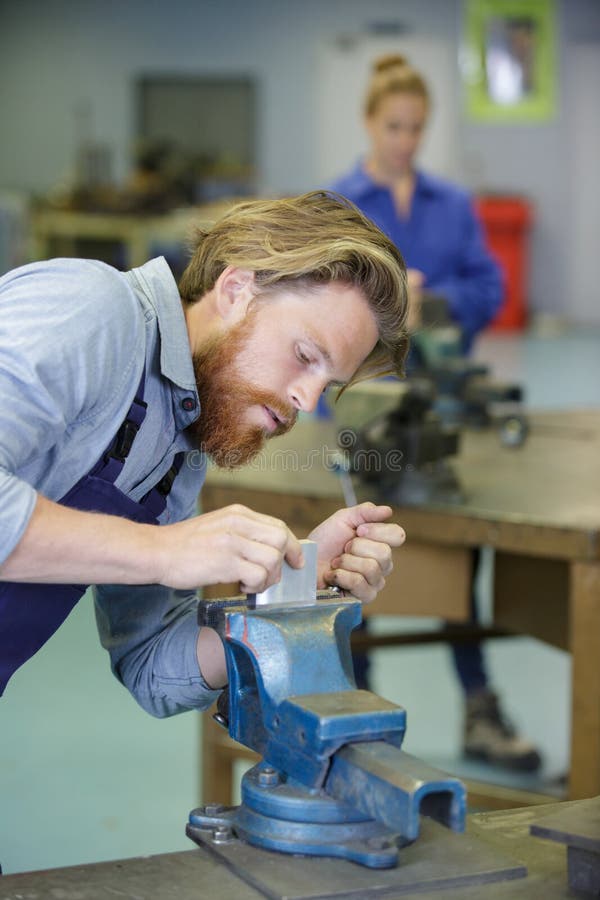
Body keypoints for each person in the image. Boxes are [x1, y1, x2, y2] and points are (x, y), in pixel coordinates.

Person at [0, 191, 408, 719]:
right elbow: (158, 553)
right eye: (305, 356)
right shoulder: (93, 309)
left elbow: (151, 668)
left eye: (327, 386)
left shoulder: (180, 448)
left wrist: (293, 592)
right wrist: (163, 550)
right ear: (237, 290)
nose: (306, 401)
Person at [328, 54, 541, 772]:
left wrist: (436, 301)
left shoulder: (452, 206)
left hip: (440, 415)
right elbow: (322, 293)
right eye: (394, 126)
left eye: (417, 127)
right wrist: (391, 301)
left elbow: (491, 284)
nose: (406, 140)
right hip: (365, 419)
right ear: (369, 122)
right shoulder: (342, 204)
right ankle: (356, 714)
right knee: (351, 563)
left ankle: (479, 710)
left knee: (457, 561)